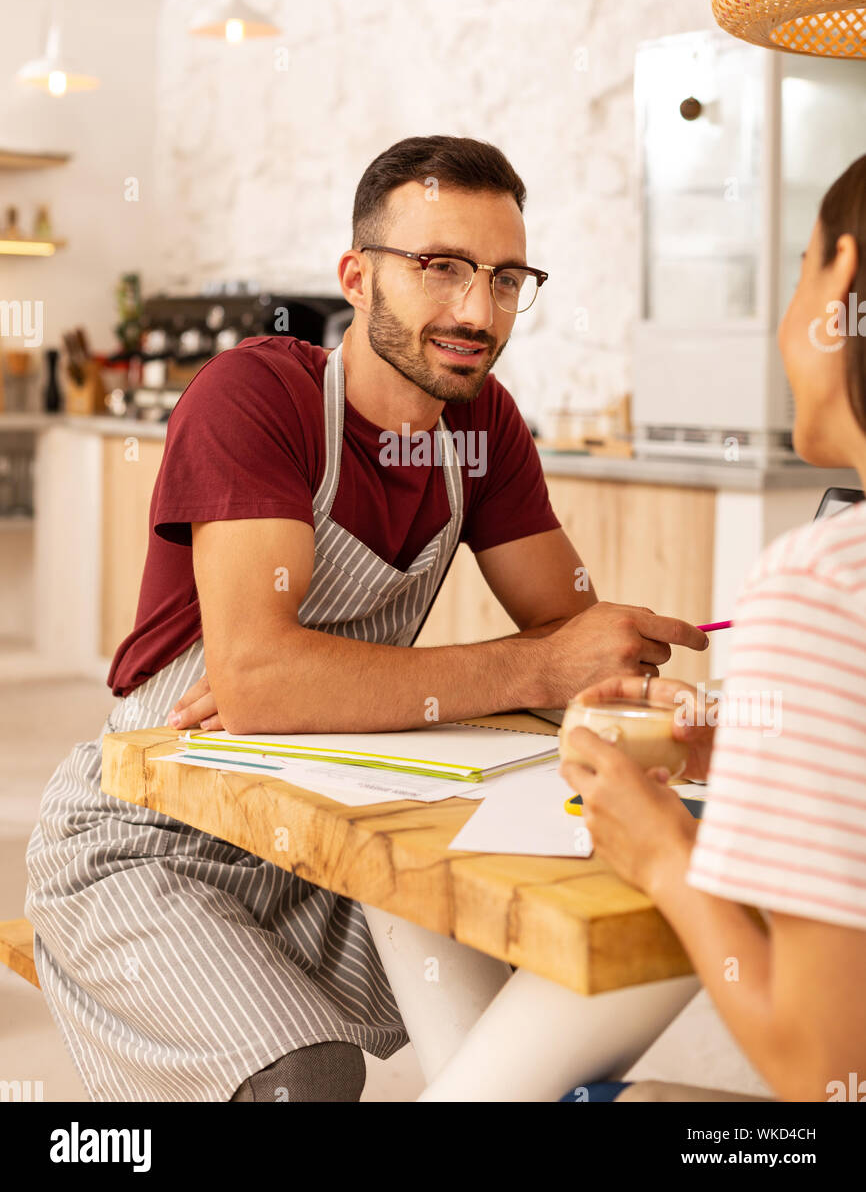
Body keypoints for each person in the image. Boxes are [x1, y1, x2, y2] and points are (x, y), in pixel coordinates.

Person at [25, 135, 707, 1103]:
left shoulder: (482, 429)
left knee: (551, 970)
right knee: (304, 1076)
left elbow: (574, 643)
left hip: (331, 831)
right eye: (441, 269)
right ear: (355, 275)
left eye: (505, 278)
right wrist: (523, 668)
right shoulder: (256, 399)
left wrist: (623, 684)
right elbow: (263, 687)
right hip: (148, 836)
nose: (477, 310)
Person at [560, 153, 866, 1103]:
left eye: (797, 271)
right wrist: (757, 751)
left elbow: (826, 1074)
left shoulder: (822, 580)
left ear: (840, 286)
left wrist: (662, 851)